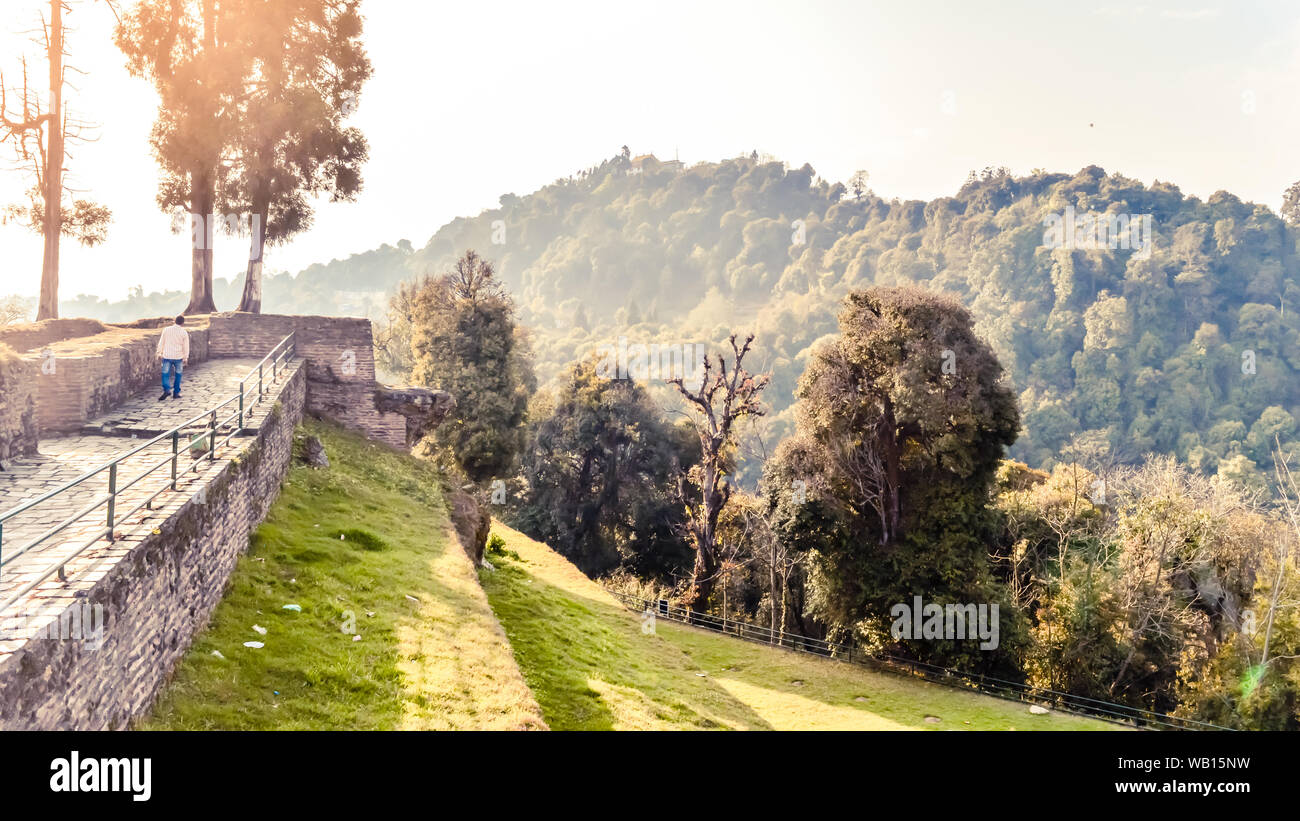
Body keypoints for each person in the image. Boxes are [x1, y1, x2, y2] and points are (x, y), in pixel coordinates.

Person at [157, 315, 190, 400]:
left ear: (175, 321)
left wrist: (159, 352)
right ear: (183, 323)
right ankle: (176, 393)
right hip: (178, 357)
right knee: (178, 375)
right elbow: (186, 346)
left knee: (165, 374)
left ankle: (167, 389)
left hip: (167, 355)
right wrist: (185, 358)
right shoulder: (184, 332)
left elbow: (162, 342)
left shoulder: (166, 330)